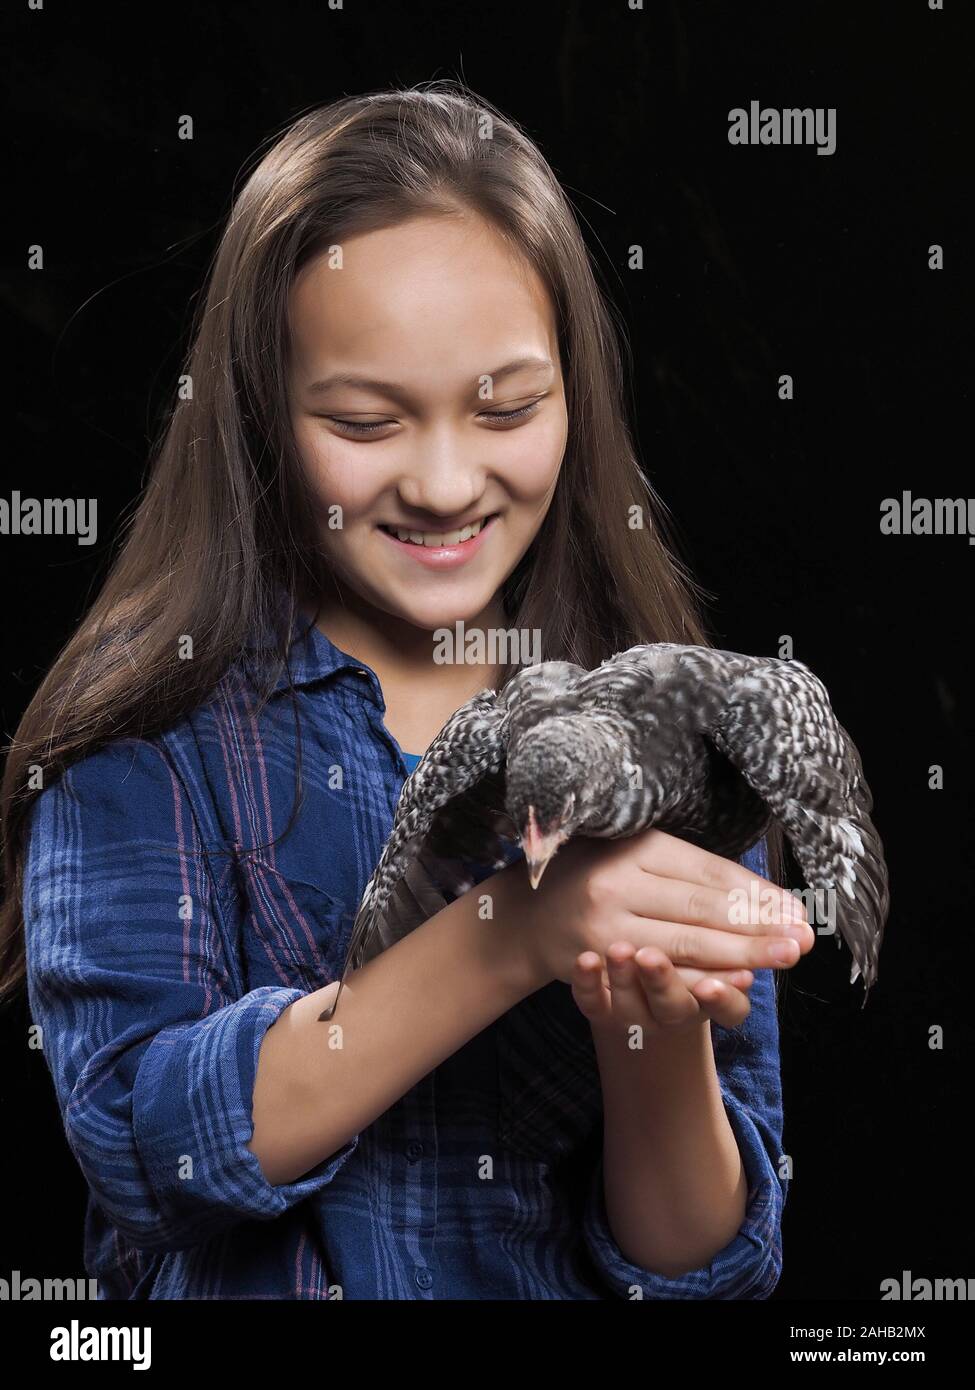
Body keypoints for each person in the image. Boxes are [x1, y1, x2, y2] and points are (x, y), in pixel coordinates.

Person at [0, 81, 812, 1300]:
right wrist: (517, 929)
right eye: (368, 421)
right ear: (264, 416)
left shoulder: (677, 743)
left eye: (507, 408)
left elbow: (708, 1264)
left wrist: (651, 1024)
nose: (443, 481)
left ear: (575, 399)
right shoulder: (147, 727)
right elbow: (139, 1140)